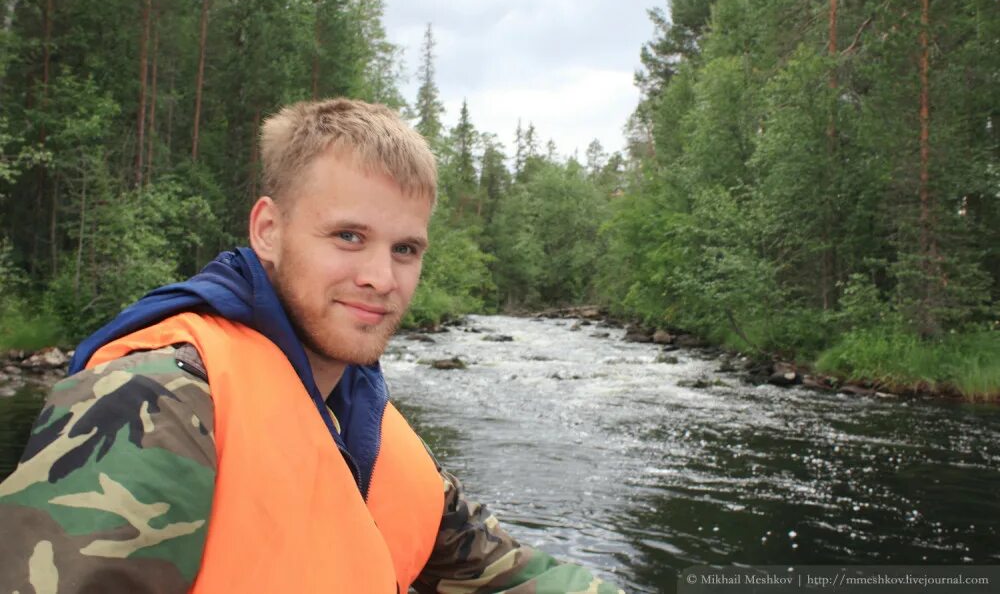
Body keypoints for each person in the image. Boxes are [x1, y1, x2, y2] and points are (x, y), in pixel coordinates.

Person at [0, 99, 622, 594]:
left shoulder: (361, 421)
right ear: (269, 230)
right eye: (349, 236)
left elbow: (512, 574)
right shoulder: (157, 404)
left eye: (405, 248)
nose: (383, 277)